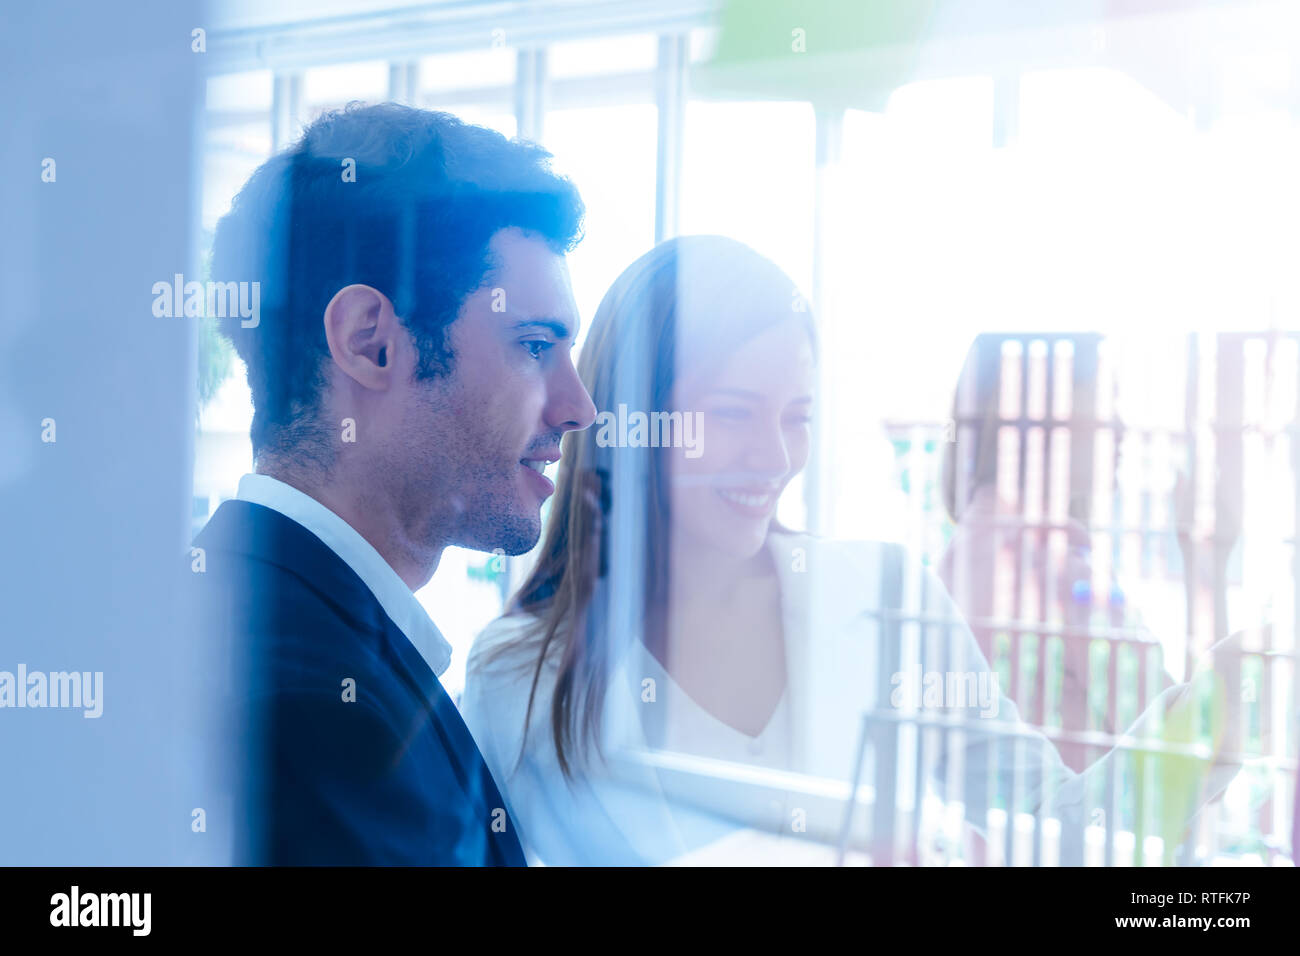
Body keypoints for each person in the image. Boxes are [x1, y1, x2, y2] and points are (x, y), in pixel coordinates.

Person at [462, 236, 1229, 866]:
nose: (772, 458)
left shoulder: (884, 591)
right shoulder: (514, 680)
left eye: (796, 417)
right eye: (732, 414)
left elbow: (1045, 829)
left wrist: (1219, 715)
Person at [191, 103, 596, 865]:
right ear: (370, 343)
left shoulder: (255, 620)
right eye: (535, 346)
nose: (579, 408)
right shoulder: (317, 709)